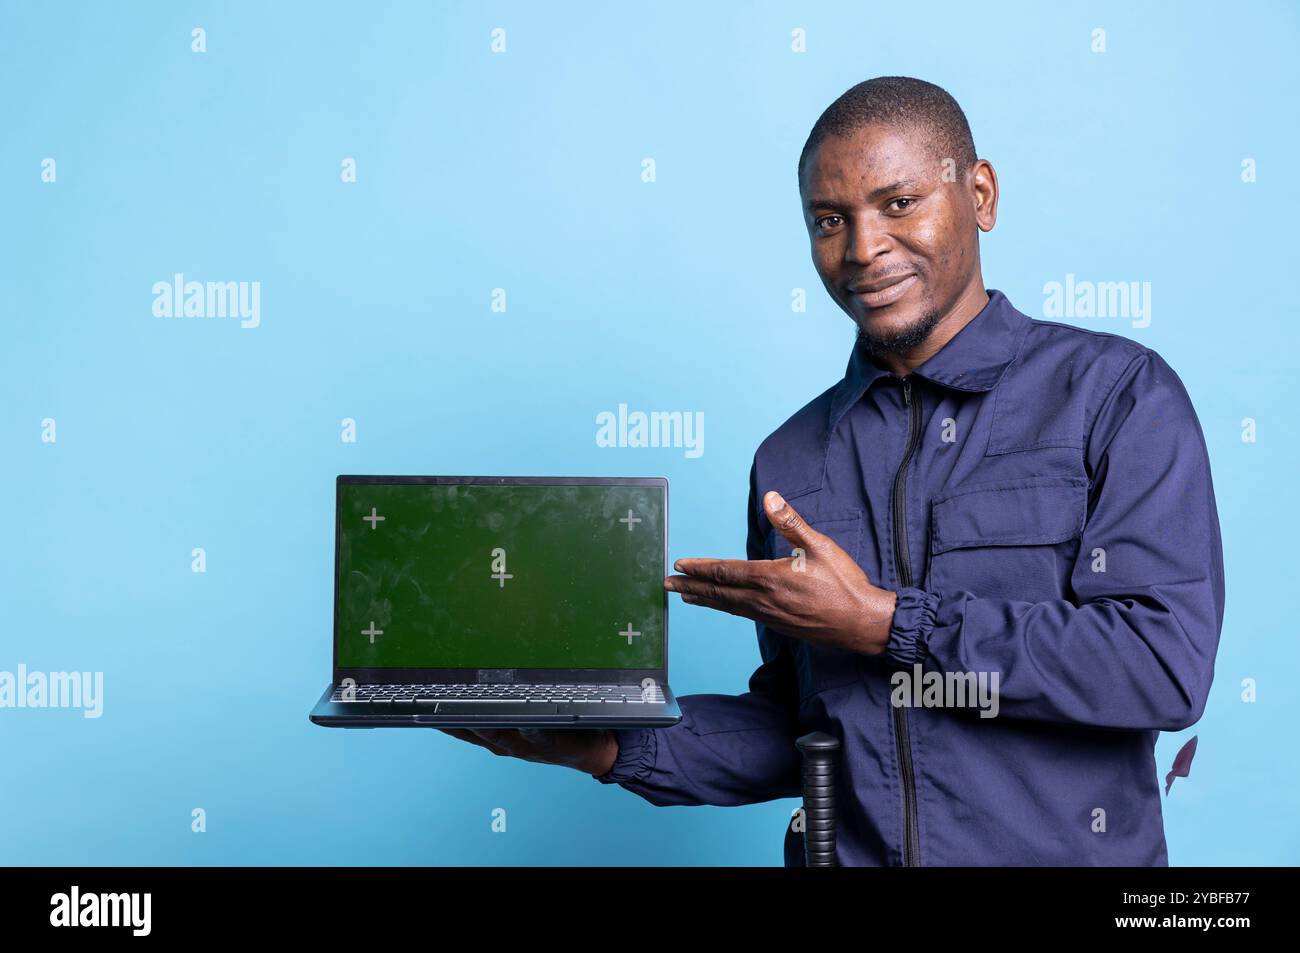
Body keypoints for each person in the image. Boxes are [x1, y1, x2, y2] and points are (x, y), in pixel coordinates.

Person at [442, 76, 1226, 866]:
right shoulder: (790, 459)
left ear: (979, 194)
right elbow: (798, 726)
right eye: (829, 221)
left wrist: (887, 623)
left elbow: (1162, 668)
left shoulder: (1113, 395)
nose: (863, 250)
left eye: (898, 204)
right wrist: (606, 747)